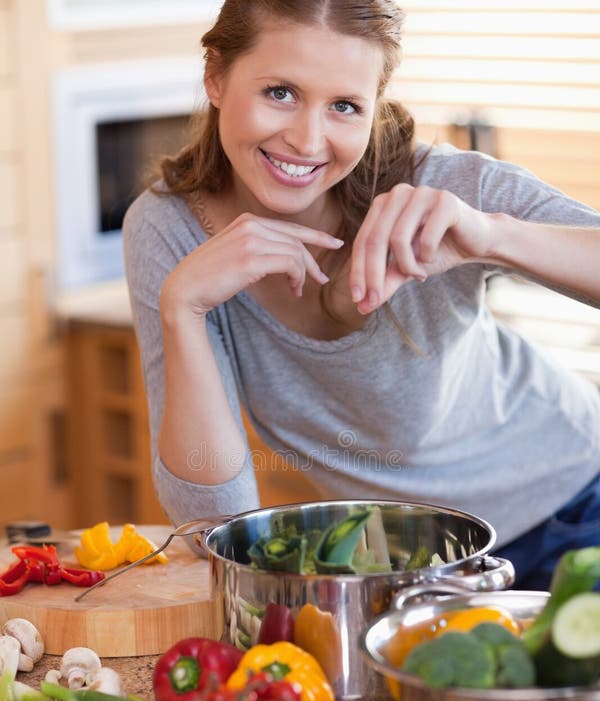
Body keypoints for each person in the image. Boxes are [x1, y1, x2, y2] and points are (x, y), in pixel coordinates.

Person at [123, 0, 600, 590]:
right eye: (280, 92)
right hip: (414, 561)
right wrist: (183, 308)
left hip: (578, 504)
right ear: (215, 76)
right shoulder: (167, 229)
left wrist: (493, 237)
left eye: (344, 106)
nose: (307, 139)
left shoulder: (440, 187)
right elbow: (211, 524)